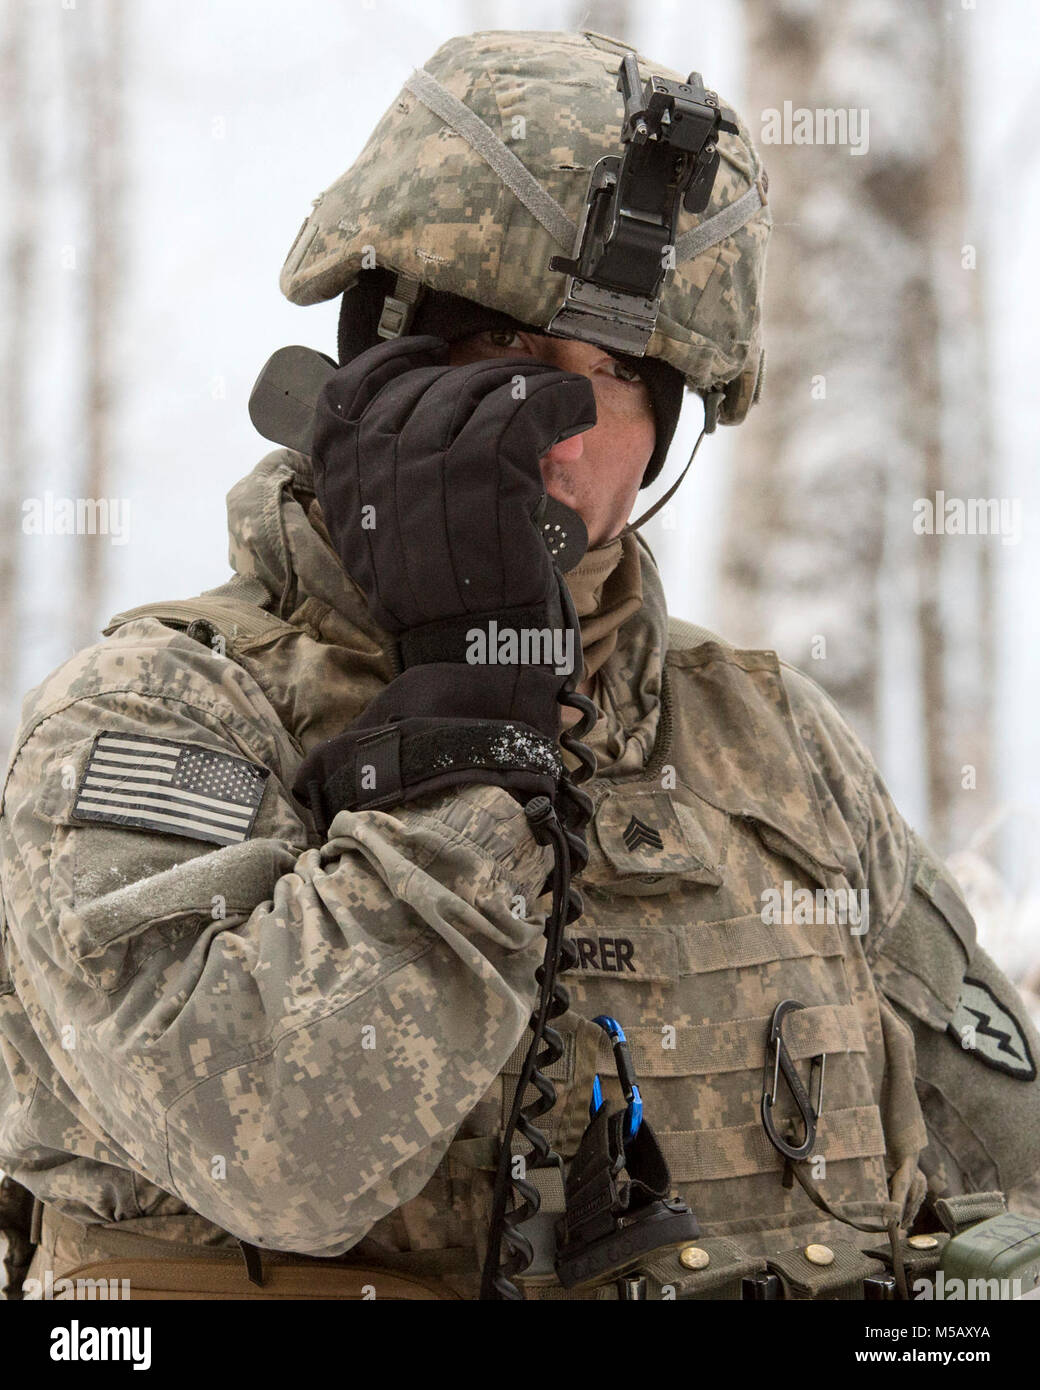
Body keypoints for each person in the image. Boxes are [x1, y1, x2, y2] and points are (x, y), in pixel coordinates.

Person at [1, 28, 1037, 1304]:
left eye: (605, 377)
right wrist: (466, 729)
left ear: (659, 433)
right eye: (502, 357)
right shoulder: (162, 715)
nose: (552, 430)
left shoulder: (770, 745)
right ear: (372, 362)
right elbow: (283, 1146)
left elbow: (1013, 1173)